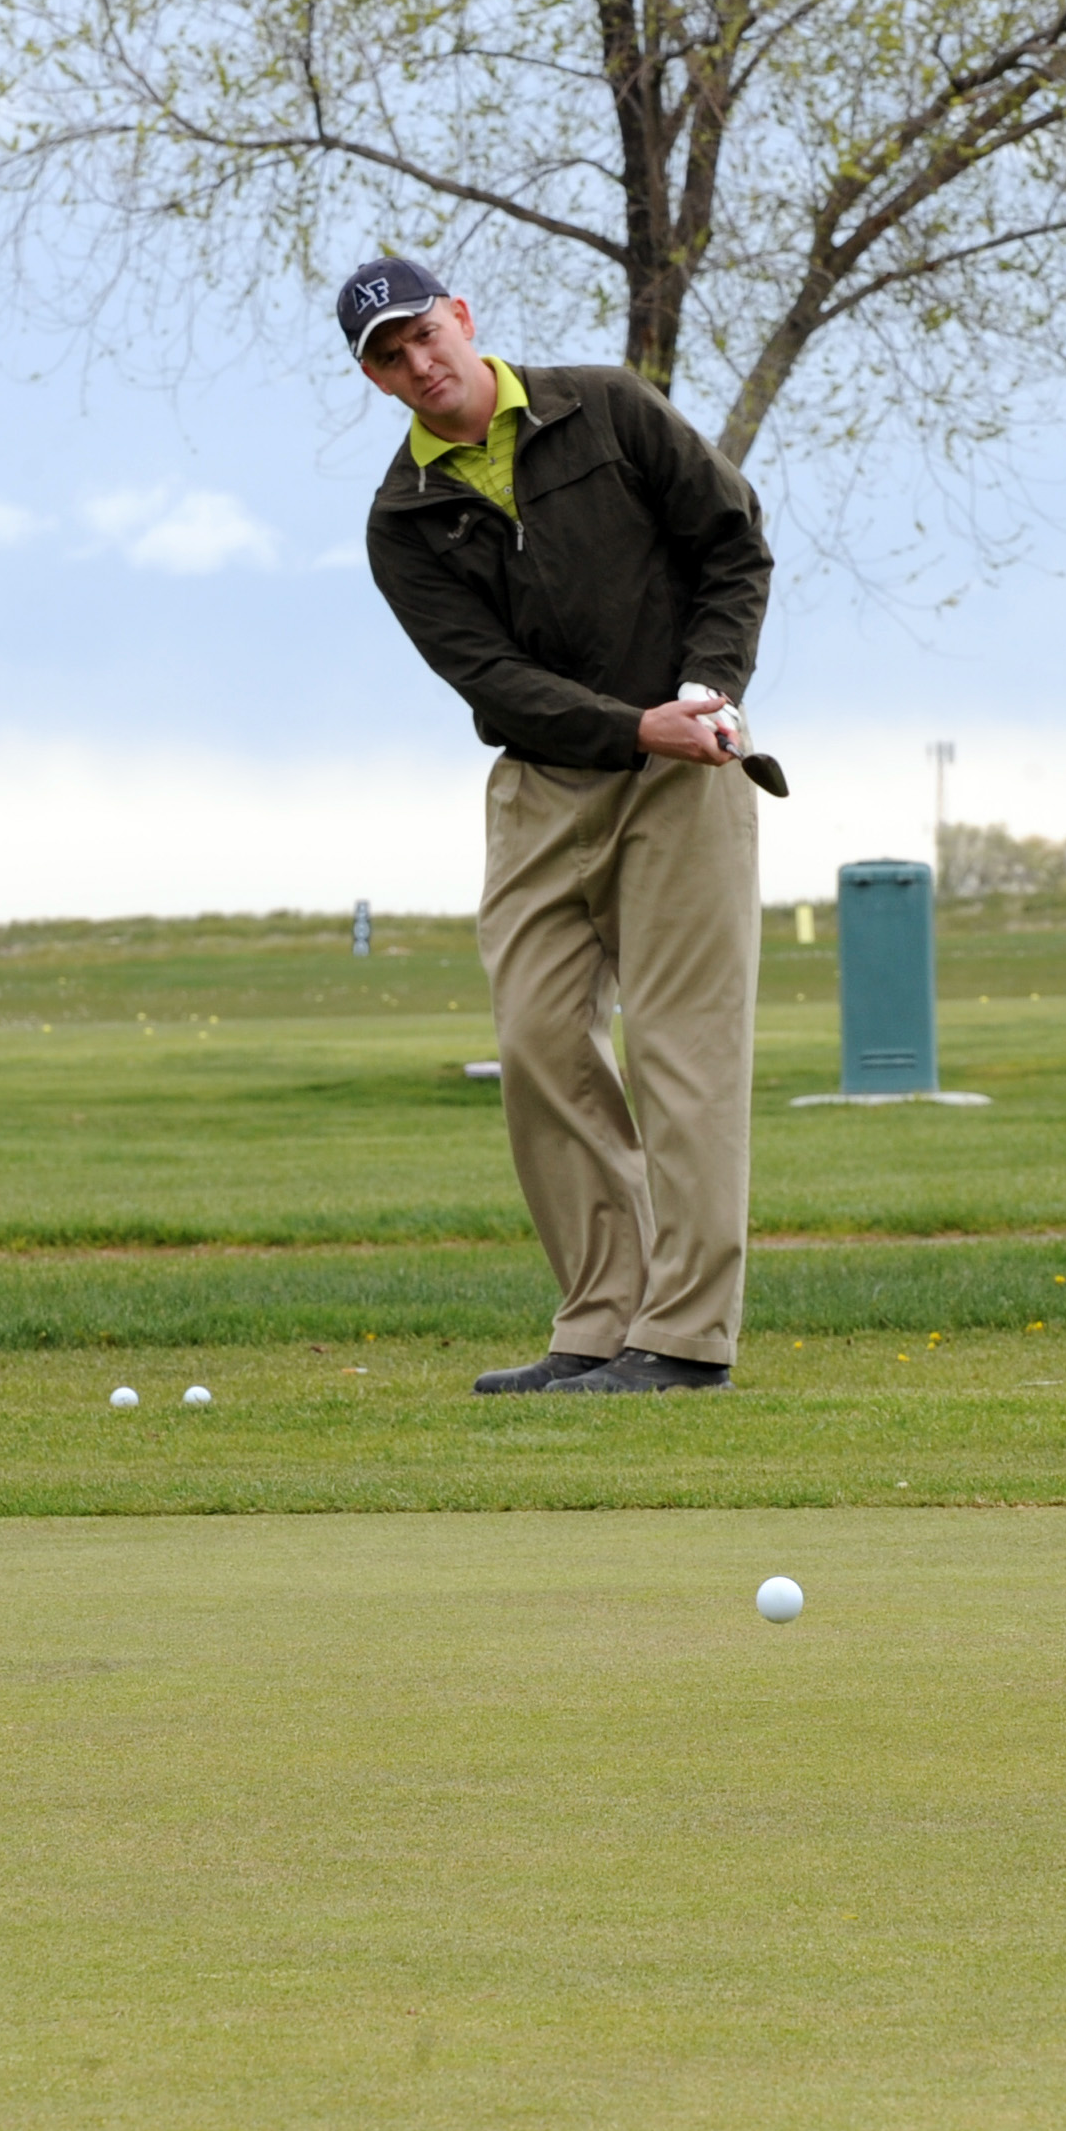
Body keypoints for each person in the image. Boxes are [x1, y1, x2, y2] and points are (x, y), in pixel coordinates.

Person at [341, 256, 780, 1395]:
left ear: (463, 317)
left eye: (424, 332)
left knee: (683, 1053)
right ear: (376, 380)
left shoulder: (611, 408)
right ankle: (599, 1319)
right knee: (538, 1044)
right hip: (544, 785)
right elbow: (491, 680)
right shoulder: (403, 518)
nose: (418, 362)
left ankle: (683, 1341)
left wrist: (703, 685)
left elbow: (732, 543)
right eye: (388, 357)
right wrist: (634, 725)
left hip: (688, 770)